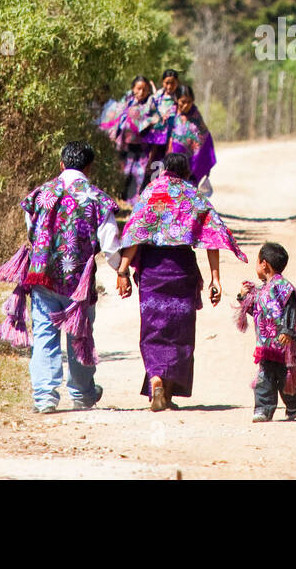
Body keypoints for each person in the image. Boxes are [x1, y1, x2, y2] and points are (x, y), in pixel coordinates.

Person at [0, 141, 122, 414]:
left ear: (61, 165)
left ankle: (45, 397)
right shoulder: (96, 197)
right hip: (79, 282)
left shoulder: (42, 194)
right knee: (80, 334)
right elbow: (110, 243)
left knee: (43, 334)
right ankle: (82, 393)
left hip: (43, 275)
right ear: (89, 167)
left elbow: (32, 229)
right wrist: (121, 270)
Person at [115, 152, 246, 411]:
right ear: (187, 173)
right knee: (179, 332)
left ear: (163, 170)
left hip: (153, 271)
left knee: (153, 329)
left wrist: (122, 271)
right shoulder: (193, 195)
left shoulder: (152, 192)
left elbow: (135, 233)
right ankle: (169, 391)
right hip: (181, 270)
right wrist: (215, 278)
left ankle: (156, 380)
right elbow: (212, 235)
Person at [234, 242, 296, 422]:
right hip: (266, 346)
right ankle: (263, 409)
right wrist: (243, 297)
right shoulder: (262, 290)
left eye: (257, 261)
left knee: (286, 377)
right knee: (264, 377)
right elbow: (259, 313)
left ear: (264, 264)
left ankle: (292, 403)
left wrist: (287, 330)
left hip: (284, 345)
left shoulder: (283, 287)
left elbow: (292, 310)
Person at [101, 75, 158, 204]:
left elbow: (156, 123)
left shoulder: (151, 104)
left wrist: (149, 121)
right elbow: (115, 116)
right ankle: (121, 202)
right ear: (133, 88)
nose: (141, 92)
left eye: (145, 89)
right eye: (138, 89)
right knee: (123, 175)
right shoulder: (126, 101)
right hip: (123, 146)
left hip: (142, 148)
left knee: (139, 175)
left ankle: (134, 205)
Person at [166, 83, 216, 187]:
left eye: (189, 102)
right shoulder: (170, 115)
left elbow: (205, 141)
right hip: (170, 165)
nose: (186, 105)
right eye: (183, 102)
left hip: (190, 169)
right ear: (176, 99)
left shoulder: (196, 118)